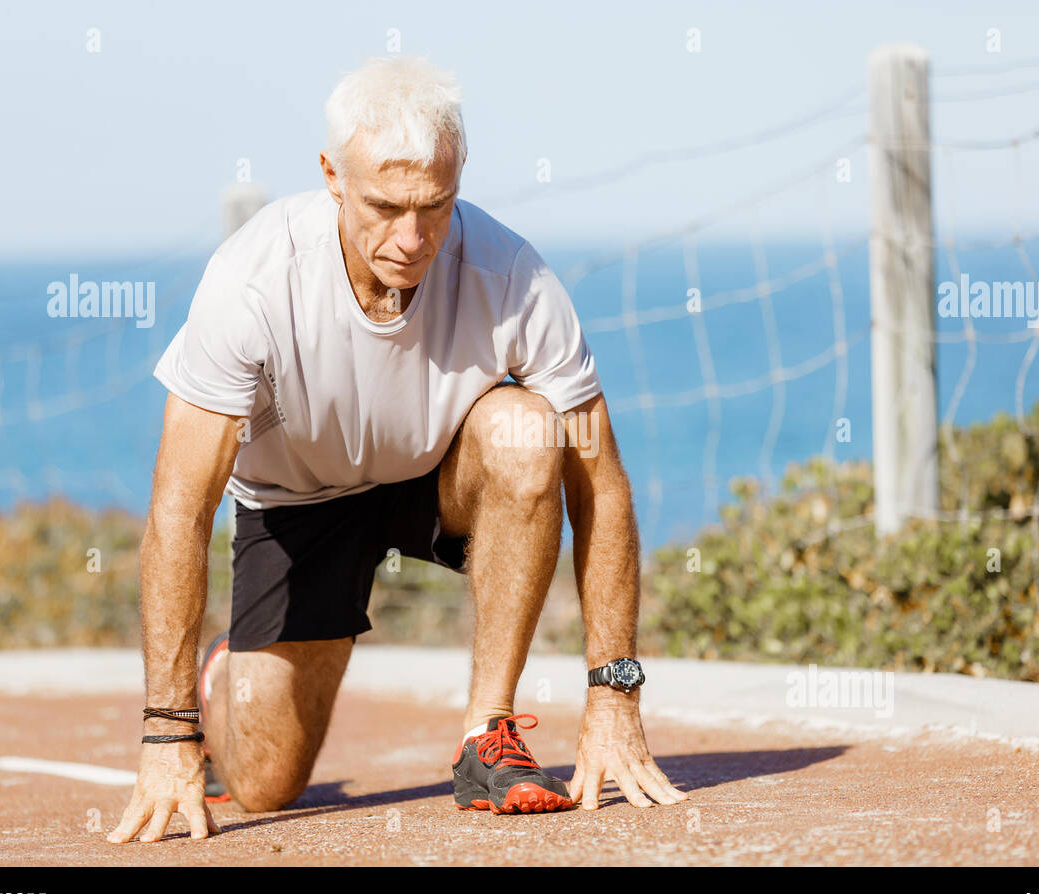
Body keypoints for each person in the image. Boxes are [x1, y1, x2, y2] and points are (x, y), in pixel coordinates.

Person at [109, 54, 686, 843]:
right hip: (296, 503)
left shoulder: (513, 276)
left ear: (459, 180)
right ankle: (224, 676)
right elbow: (179, 510)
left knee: (528, 433)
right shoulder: (251, 284)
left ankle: (489, 735)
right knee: (264, 785)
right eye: (384, 206)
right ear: (331, 176)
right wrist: (169, 733)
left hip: (432, 473)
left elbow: (602, 487)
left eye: (435, 206)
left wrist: (614, 696)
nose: (412, 238)